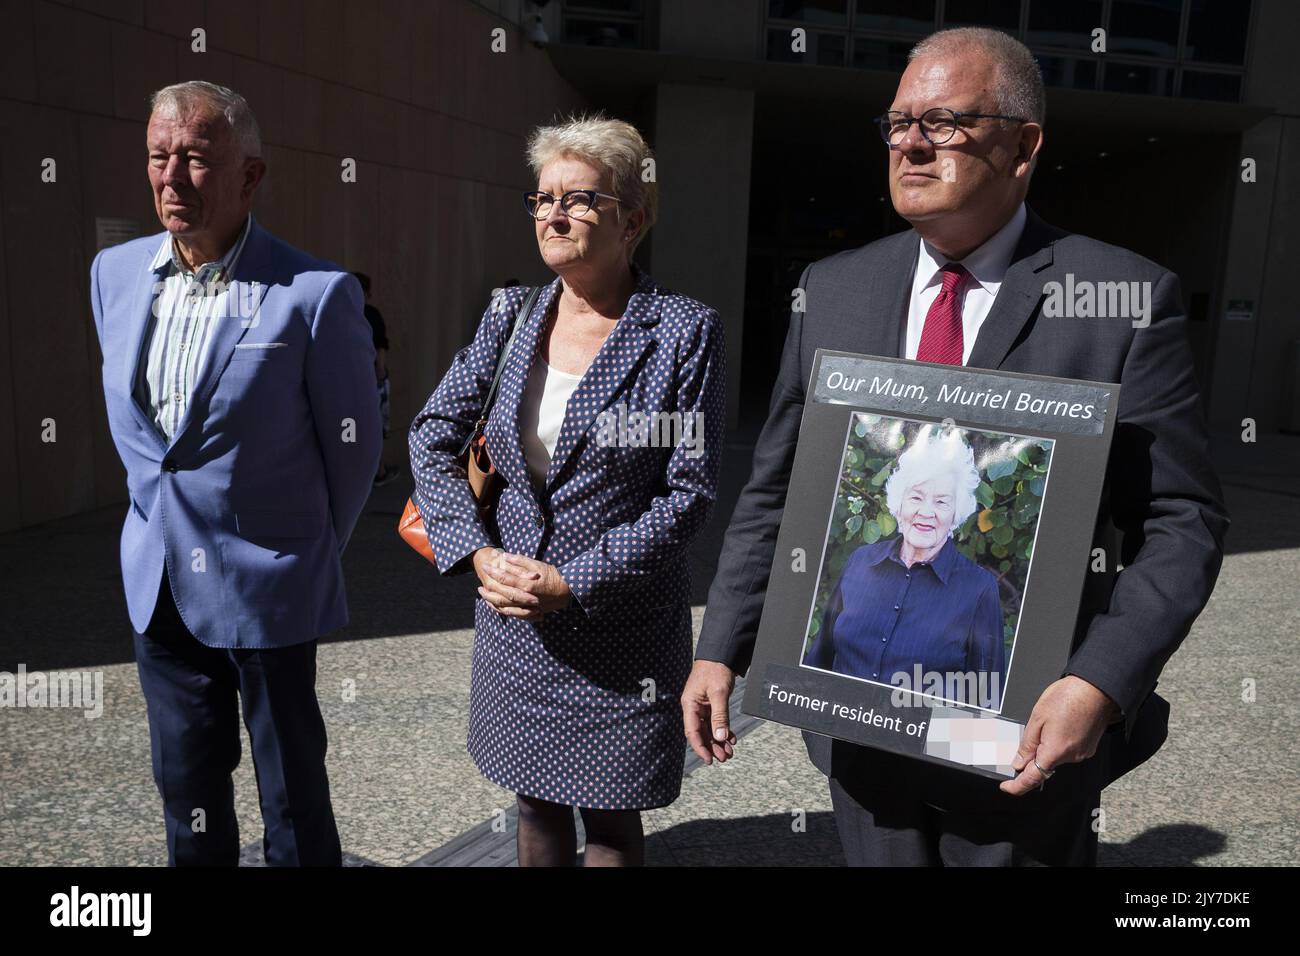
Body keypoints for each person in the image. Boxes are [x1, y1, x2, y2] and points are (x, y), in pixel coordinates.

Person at [684, 28, 1229, 866]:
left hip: (1022, 744)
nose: (907, 141)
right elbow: (778, 486)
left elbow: (1180, 518)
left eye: (941, 121)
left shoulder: (1120, 299)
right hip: (860, 738)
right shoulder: (833, 290)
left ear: (1023, 145)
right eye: (897, 122)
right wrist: (720, 644)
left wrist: (1099, 682)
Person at [409, 115, 724, 867]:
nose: (553, 213)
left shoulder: (682, 331)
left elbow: (688, 491)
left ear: (633, 219)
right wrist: (479, 555)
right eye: (542, 197)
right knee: (536, 809)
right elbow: (431, 437)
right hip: (517, 617)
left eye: (579, 199)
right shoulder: (510, 313)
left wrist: (574, 580)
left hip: (621, 626)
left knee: (612, 824)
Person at [89, 81, 381, 865]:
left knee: (292, 802)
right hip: (159, 583)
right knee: (186, 794)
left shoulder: (314, 296)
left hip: (270, 582)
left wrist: (301, 550)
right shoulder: (113, 276)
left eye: (196, 159)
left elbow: (353, 455)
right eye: (159, 157)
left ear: (250, 177)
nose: (173, 178)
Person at [804, 425, 1005, 709]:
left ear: (956, 513)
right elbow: (819, 659)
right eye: (916, 497)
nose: (926, 512)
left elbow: (985, 700)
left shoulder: (979, 590)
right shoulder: (861, 561)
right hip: (836, 741)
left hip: (918, 749)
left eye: (941, 501)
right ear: (898, 503)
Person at [352, 271, 400, 486]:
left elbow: (381, 343)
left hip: (365, 376)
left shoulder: (365, 314)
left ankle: (376, 470)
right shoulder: (358, 313)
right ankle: (376, 471)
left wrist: (380, 369)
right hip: (360, 377)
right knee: (370, 425)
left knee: (371, 426)